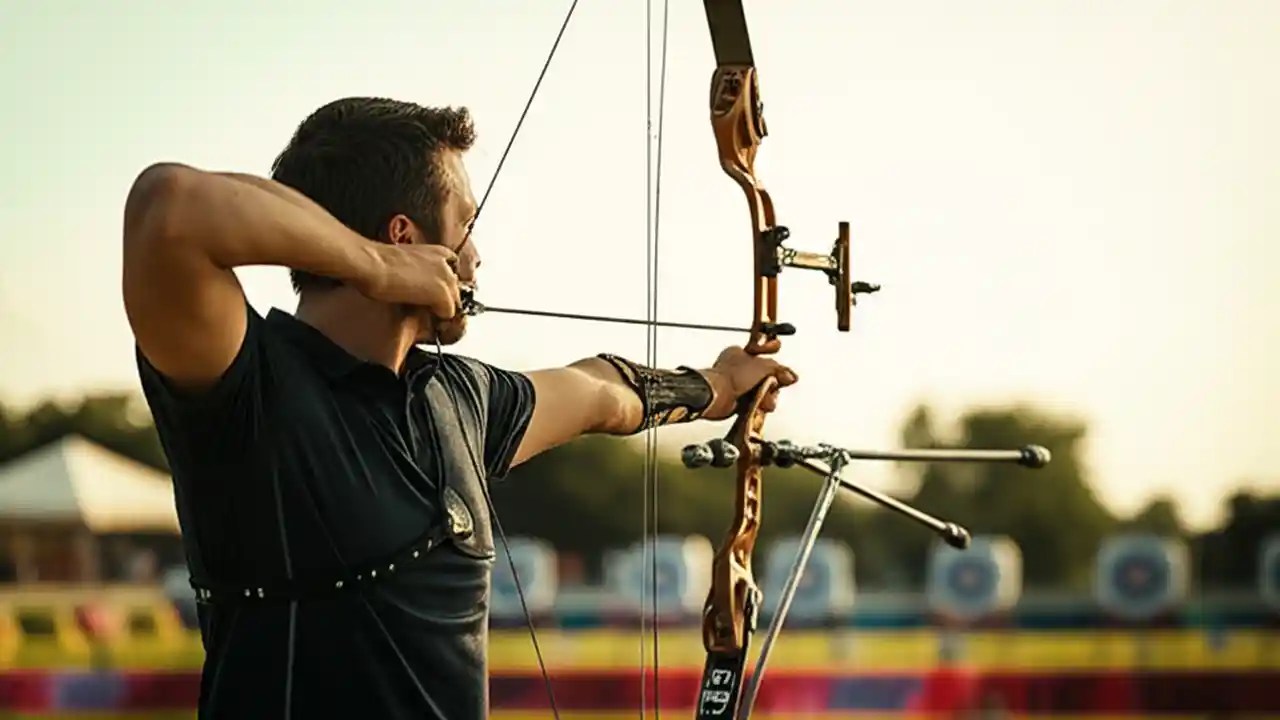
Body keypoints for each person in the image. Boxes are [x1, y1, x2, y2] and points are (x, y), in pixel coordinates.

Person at [122, 96, 797, 719]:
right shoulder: (248, 388)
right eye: (466, 225)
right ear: (404, 235)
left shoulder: (459, 400)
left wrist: (714, 385)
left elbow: (598, 393)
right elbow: (169, 206)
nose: (476, 255)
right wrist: (379, 268)